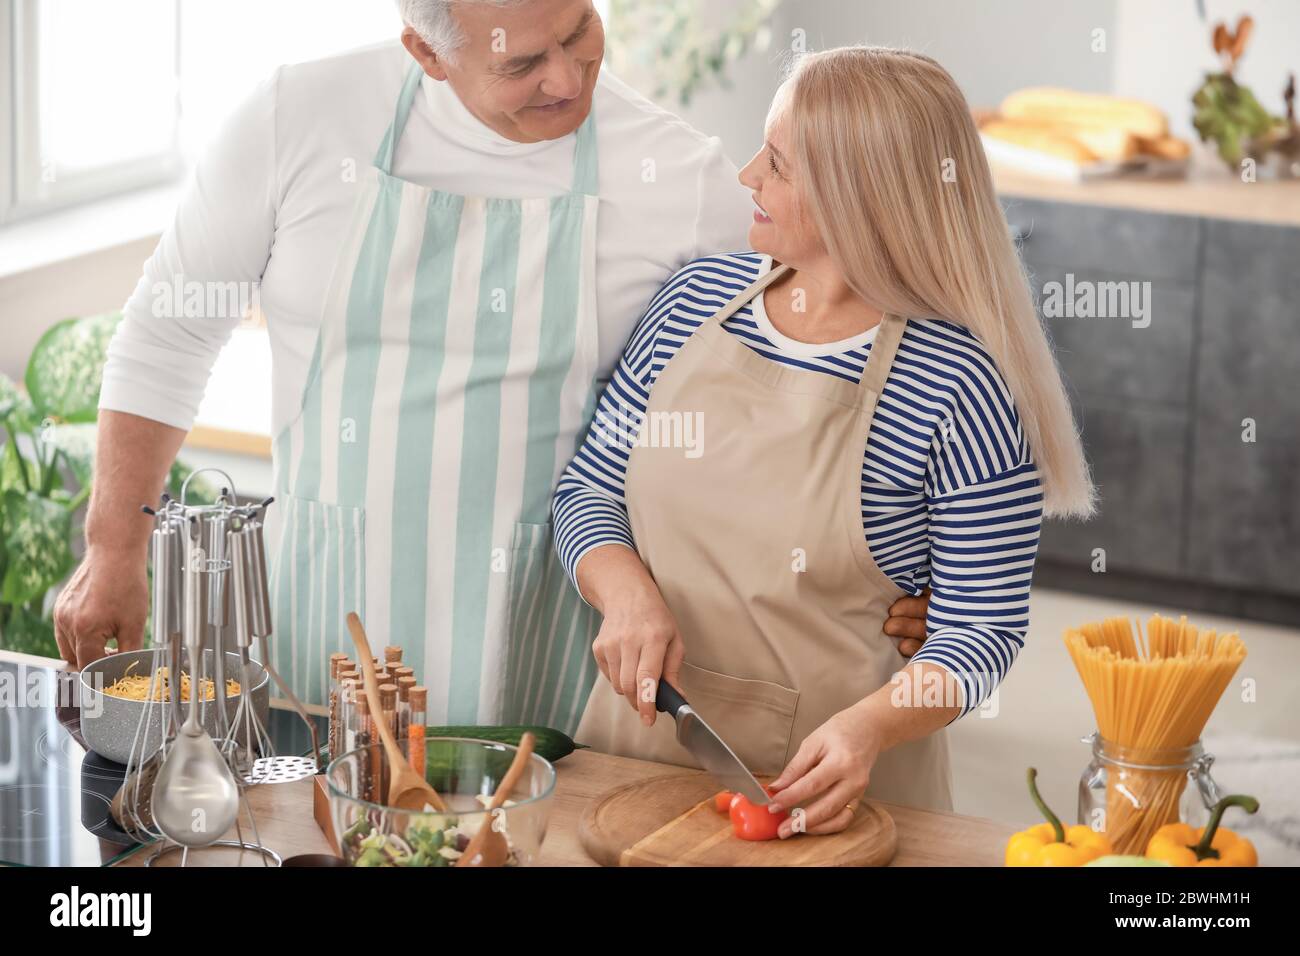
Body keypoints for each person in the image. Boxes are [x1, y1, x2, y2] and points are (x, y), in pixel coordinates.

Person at [53, 4, 930, 732]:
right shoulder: (300, 117)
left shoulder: (681, 177)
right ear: (426, 53)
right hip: (317, 641)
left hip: (548, 656)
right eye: (522, 65)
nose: (567, 76)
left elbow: (827, 365)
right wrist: (112, 547)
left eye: (579, 31)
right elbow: (170, 336)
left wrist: (906, 562)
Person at [554, 46, 1095, 825]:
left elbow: (981, 626)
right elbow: (590, 488)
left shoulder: (961, 384)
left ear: (856, 195)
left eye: (776, 163)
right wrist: (625, 594)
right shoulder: (691, 302)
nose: (747, 177)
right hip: (631, 748)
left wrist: (870, 728)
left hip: (839, 788)